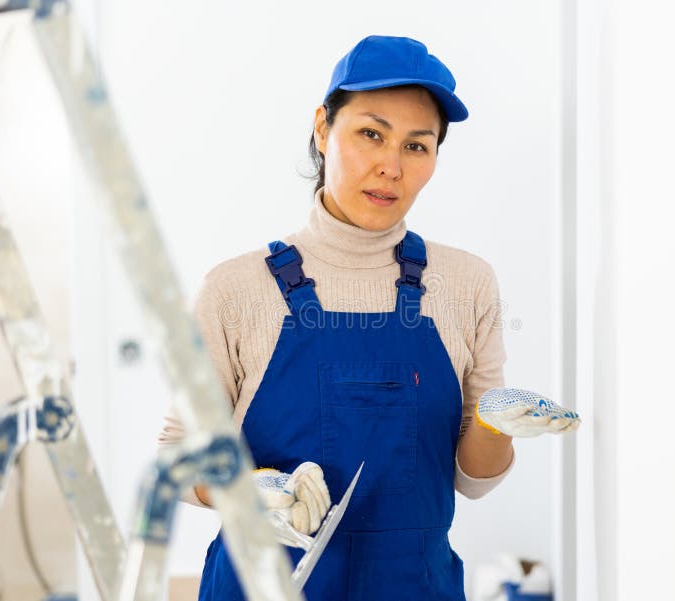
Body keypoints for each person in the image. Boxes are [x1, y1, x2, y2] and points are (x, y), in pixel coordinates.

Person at [159, 34, 518, 601]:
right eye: (370, 134)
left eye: (417, 147)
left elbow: (476, 480)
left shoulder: (466, 284)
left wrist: (502, 419)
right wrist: (253, 490)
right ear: (323, 129)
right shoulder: (235, 289)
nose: (390, 166)